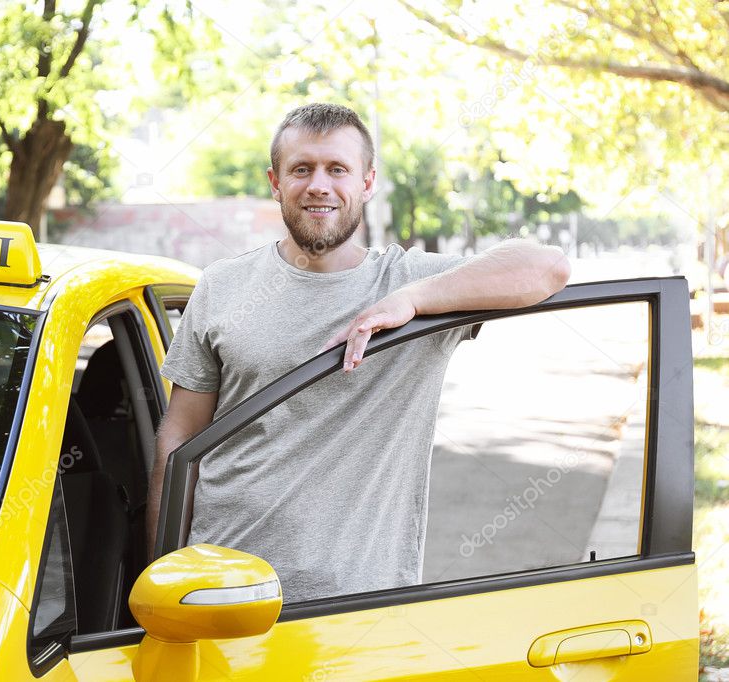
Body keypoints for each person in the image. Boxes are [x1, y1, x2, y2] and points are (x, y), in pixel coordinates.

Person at [146, 103, 571, 603]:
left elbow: (548, 267)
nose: (319, 185)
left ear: (367, 183)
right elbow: (179, 436)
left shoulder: (417, 282)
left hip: (359, 605)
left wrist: (413, 301)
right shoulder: (222, 286)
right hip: (219, 588)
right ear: (275, 181)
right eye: (301, 169)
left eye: (337, 169)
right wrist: (159, 571)